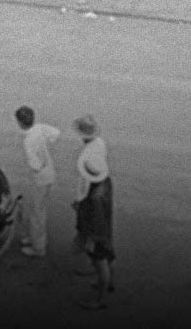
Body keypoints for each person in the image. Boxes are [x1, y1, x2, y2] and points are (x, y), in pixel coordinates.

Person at [71, 115, 114, 310]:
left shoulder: (95, 198)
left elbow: (95, 225)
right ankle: (106, 281)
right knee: (105, 249)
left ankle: (101, 298)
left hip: (96, 221)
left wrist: (90, 238)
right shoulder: (100, 145)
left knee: (99, 256)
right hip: (103, 206)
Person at [15, 106, 61, 258]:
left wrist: (38, 166)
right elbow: (56, 134)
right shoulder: (40, 128)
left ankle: (38, 247)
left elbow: (34, 165)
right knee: (38, 209)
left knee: (37, 213)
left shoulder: (28, 140)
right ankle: (35, 239)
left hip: (40, 178)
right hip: (50, 173)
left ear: (20, 123)